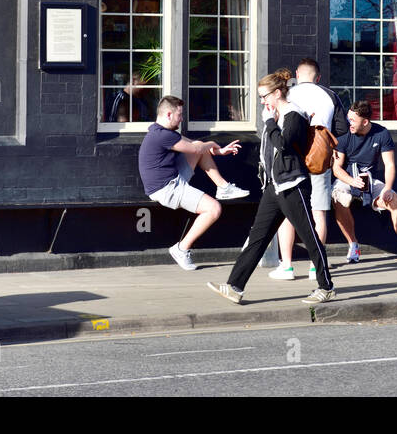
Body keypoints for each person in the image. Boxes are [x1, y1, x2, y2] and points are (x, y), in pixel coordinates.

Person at [207, 70, 336, 304]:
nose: (262, 101)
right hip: (274, 187)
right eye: (260, 97)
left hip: (293, 185)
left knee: (309, 236)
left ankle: (326, 287)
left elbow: (284, 145)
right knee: (258, 236)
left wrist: (269, 121)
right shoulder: (276, 116)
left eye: (264, 96)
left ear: (277, 93)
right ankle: (235, 286)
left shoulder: (294, 115)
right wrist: (270, 121)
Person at [138, 95, 247, 270]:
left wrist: (219, 151)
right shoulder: (162, 136)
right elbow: (198, 148)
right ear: (168, 114)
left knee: (198, 146)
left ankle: (223, 187)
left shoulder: (162, 132)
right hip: (167, 189)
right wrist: (212, 143)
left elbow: (196, 146)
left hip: (172, 179)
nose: (182, 119)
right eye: (179, 115)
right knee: (214, 209)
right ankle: (181, 249)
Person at [271, 58, 346, 279]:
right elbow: (340, 129)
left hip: (290, 160)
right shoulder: (329, 95)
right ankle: (316, 267)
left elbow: (275, 123)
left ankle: (287, 266)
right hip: (319, 160)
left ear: (297, 73)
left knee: (288, 213)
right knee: (319, 213)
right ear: (318, 77)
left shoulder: (287, 94)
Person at [331, 100, 397, 266]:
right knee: (339, 199)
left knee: (394, 200)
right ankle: (353, 244)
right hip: (347, 178)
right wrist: (352, 181)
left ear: (365, 121)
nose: (349, 123)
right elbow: (337, 168)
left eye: (353, 120)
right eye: (348, 118)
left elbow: (389, 165)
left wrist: (388, 189)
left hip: (370, 180)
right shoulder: (344, 135)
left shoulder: (381, 133)